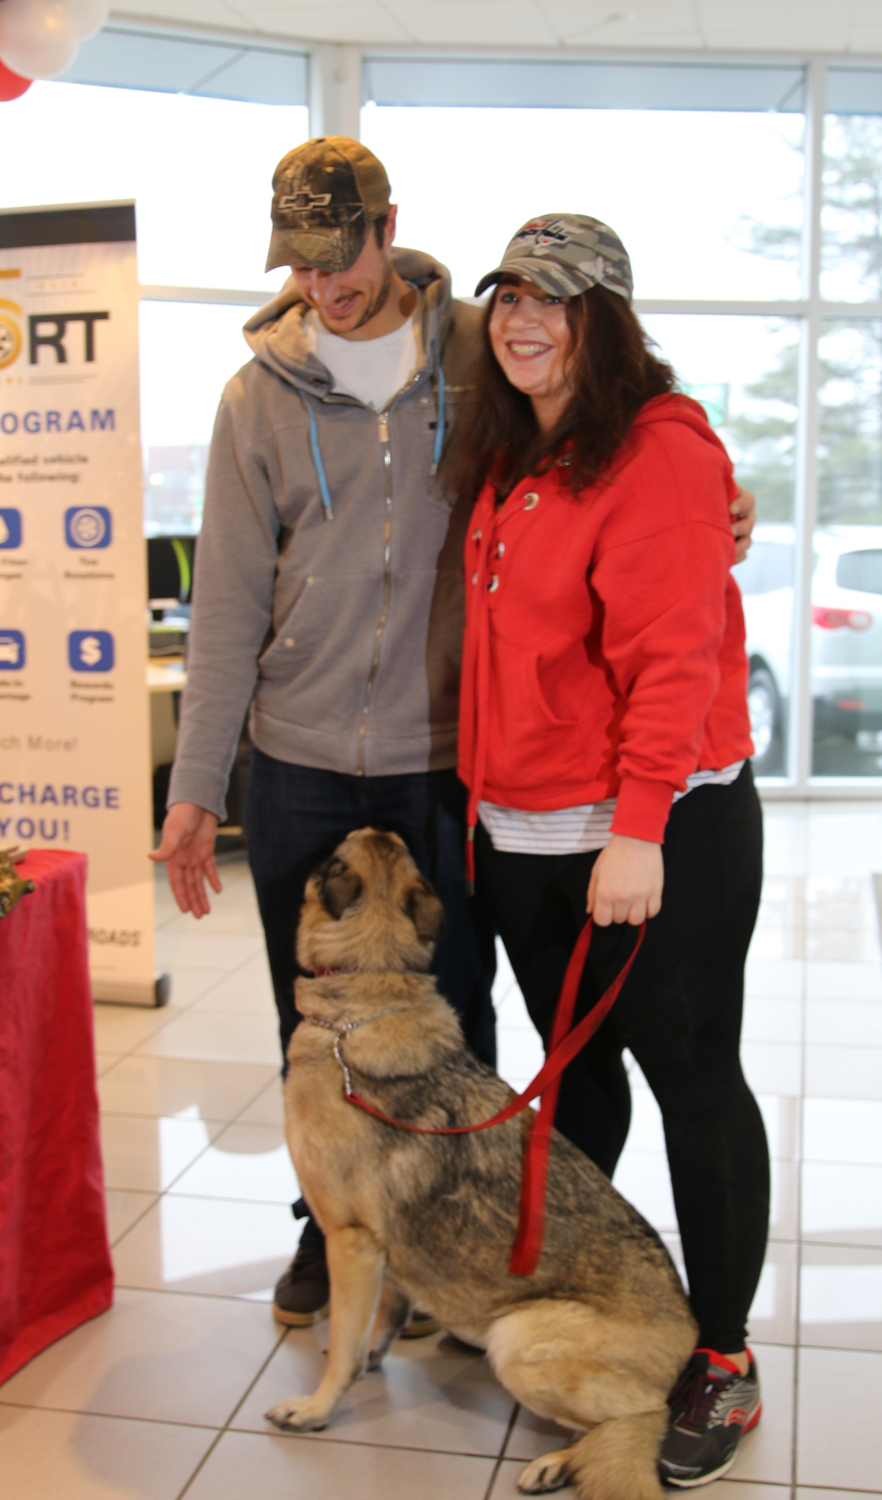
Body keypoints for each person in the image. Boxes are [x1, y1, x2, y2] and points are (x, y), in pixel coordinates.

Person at [150, 139, 758, 1333]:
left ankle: (465, 1246)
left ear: (389, 226)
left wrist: (722, 500)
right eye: (302, 264)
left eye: (344, 253)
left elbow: (639, 427)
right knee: (318, 1025)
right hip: (315, 758)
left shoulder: (482, 353)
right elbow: (222, 604)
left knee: (463, 1024)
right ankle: (331, 1232)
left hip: (453, 764)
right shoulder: (255, 397)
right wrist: (195, 784)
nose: (328, 283)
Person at [449, 215, 769, 1488]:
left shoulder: (659, 450)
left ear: (610, 318)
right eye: (509, 297)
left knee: (692, 1081)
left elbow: (677, 660)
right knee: (577, 1082)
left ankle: (725, 1360)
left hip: (653, 827)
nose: (525, 320)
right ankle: (596, 1300)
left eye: (557, 302)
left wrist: (637, 829)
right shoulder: (514, 446)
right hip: (526, 830)